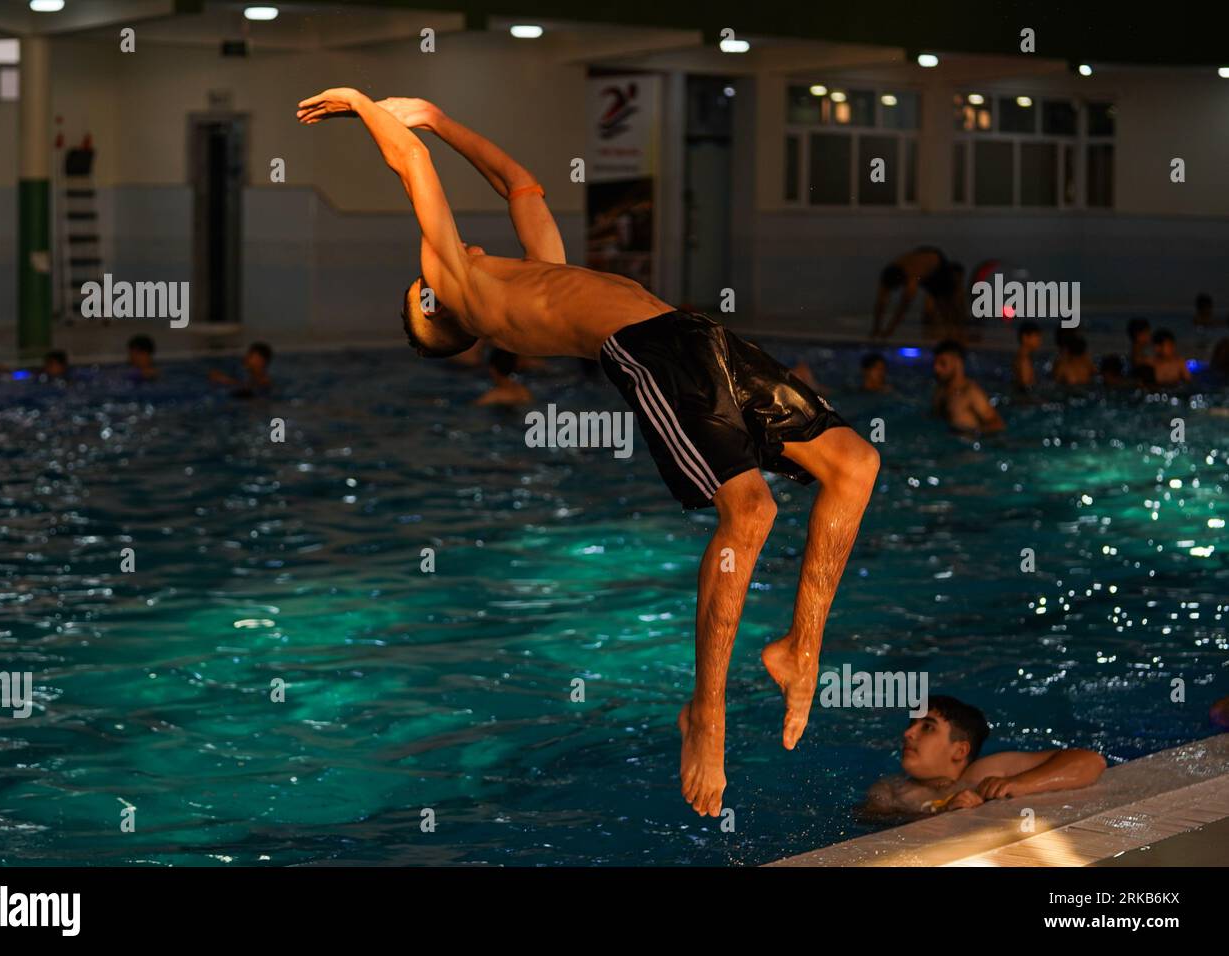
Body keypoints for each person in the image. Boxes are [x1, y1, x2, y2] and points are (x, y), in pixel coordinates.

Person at [299, 88, 880, 817]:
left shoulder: (532, 279)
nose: (430, 267)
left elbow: (521, 185)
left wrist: (443, 119)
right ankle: (704, 712)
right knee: (750, 512)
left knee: (855, 462)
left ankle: (801, 647)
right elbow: (409, 163)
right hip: (651, 353)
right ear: (432, 303)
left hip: (697, 335)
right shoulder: (464, 288)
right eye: (418, 285)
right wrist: (361, 103)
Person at [862, 696, 1107, 816]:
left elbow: (1088, 761)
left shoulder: (985, 772)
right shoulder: (890, 789)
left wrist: (1019, 783)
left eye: (927, 727)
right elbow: (873, 828)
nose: (908, 733)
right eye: (911, 724)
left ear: (960, 750)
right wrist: (941, 812)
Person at [871, 247, 964, 339]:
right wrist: (876, 327)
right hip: (926, 258)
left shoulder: (912, 276)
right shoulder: (891, 271)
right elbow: (880, 303)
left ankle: (956, 330)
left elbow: (903, 308)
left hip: (937, 265)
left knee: (945, 304)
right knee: (935, 306)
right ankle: (951, 329)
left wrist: (890, 330)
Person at [932, 340, 1004, 433]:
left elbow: (997, 425)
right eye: (935, 363)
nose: (936, 368)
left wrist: (971, 434)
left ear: (958, 363)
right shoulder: (941, 391)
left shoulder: (971, 392)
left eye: (942, 363)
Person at [1012, 321, 1041, 392]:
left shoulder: (1019, 357)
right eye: (1036, 336)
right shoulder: (1024, 361)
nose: (1039, 340)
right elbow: (1025, 388)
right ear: (1025, 337)